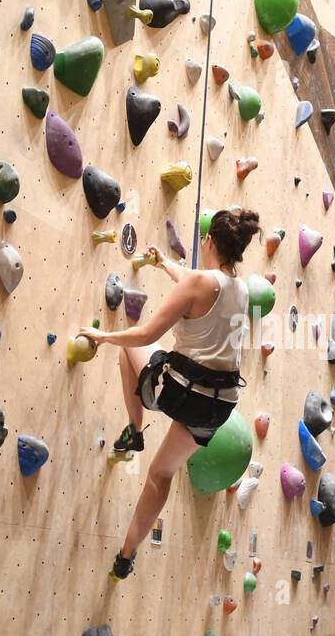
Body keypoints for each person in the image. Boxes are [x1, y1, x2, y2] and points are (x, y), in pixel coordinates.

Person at [76, 209, 259, 581]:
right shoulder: (243, 289)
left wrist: (103, 338)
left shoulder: (198, 283)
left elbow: (144, 334)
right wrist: (165, 266)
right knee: (161, 475)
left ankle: (135, 430)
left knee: (130, 346)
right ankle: (126, 556)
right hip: (218, 408)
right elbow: (198, 286)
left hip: (183, 392)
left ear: (208, 241)